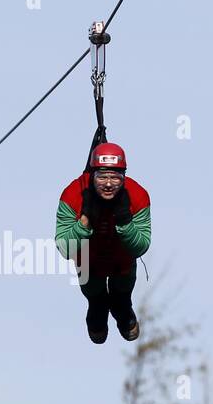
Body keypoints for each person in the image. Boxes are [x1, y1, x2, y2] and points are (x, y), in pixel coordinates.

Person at [54, 142, 152, 344]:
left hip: (122, 263)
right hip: (89, 264)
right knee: (96, 303)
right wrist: (85, 221)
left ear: (124, 178)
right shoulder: (72, 195)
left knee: (121, 302)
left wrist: (125, 222)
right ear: (92, 176)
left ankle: (122, 308)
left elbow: (142, 245)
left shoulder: (139, 196)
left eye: (115, 178)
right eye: (102, 177)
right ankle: (98, 308)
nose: (108, 184)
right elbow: (64, 247)